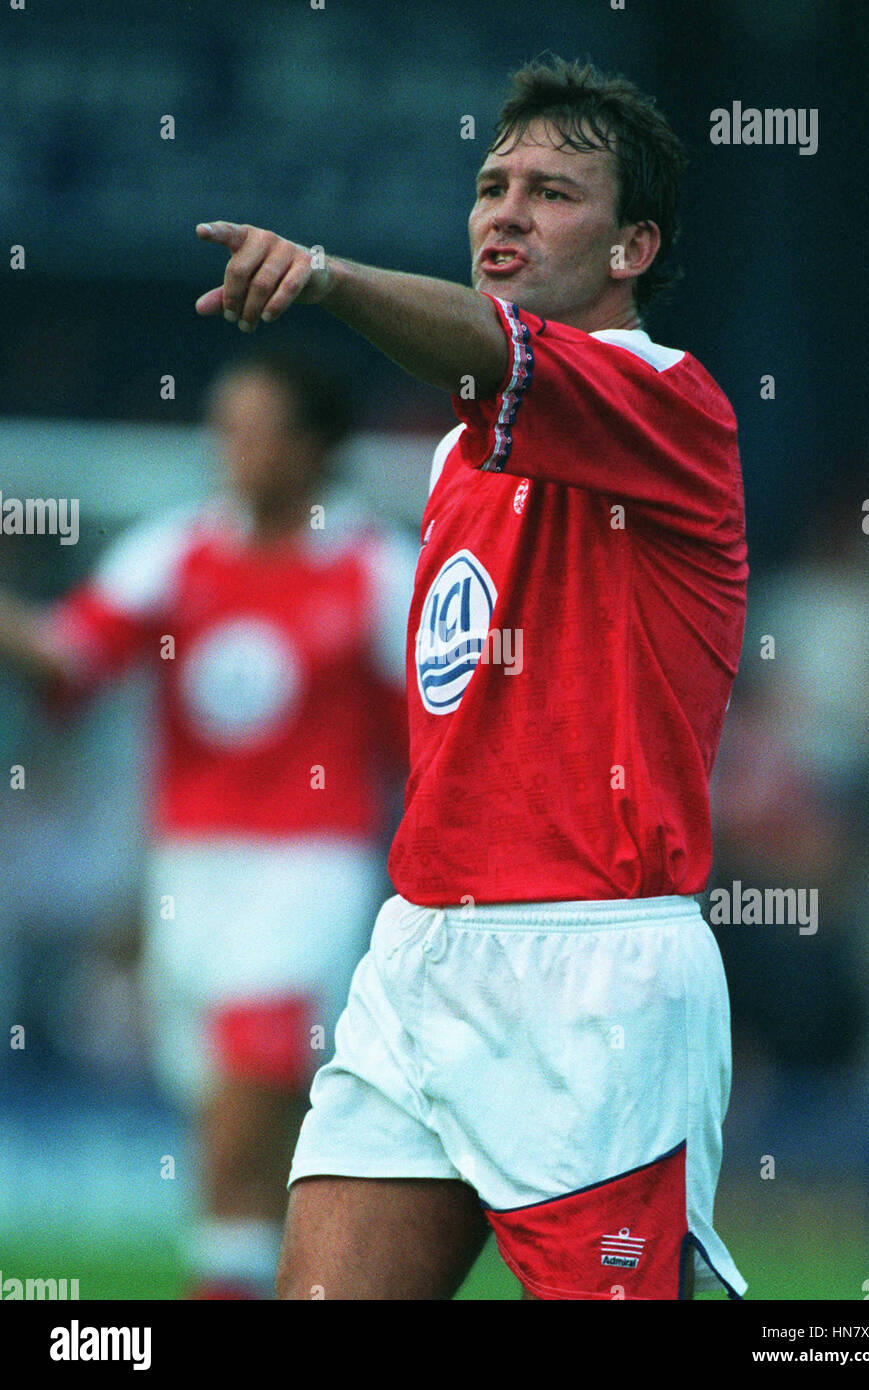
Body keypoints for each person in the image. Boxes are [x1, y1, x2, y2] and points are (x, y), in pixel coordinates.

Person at [195, 56, 749, 1302]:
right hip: (420, 959)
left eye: (552, 192)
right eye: (491, 184)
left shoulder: (674, 403)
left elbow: (495, 353)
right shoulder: (458, 450)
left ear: (631, 247)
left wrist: (327, 277)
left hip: (591, 975)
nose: (504, 211)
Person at [0, 351, 415, 1299]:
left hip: (311, 871)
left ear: (313, 448)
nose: (228, 447)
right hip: (188, 876)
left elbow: (440, 733)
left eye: (253, 426)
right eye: (220, 425)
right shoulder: (175, 552)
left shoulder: (377, 571)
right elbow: (67, 661)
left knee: (246, 1098)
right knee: (233, 1140)